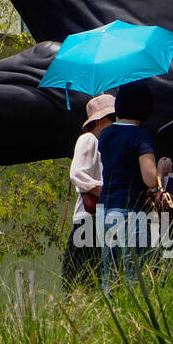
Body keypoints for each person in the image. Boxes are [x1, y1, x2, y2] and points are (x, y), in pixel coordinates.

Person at [96, 81, 173, 291]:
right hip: (131, 213)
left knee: (109, 275)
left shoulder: (106, 135)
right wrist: (160, 167)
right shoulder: (140, 136)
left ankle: (107, 318)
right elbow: (150, 180)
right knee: (135, 277)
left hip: (105, 211)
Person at [63, 94, 115, 284]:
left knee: (92, 274)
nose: (115, 122)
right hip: (88, 219)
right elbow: (77, 174)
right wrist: (105, 193)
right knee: (79, 275)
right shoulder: (89, 139)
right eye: (112, 117)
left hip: (100, 219)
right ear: (101, 120)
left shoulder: (106, 144)